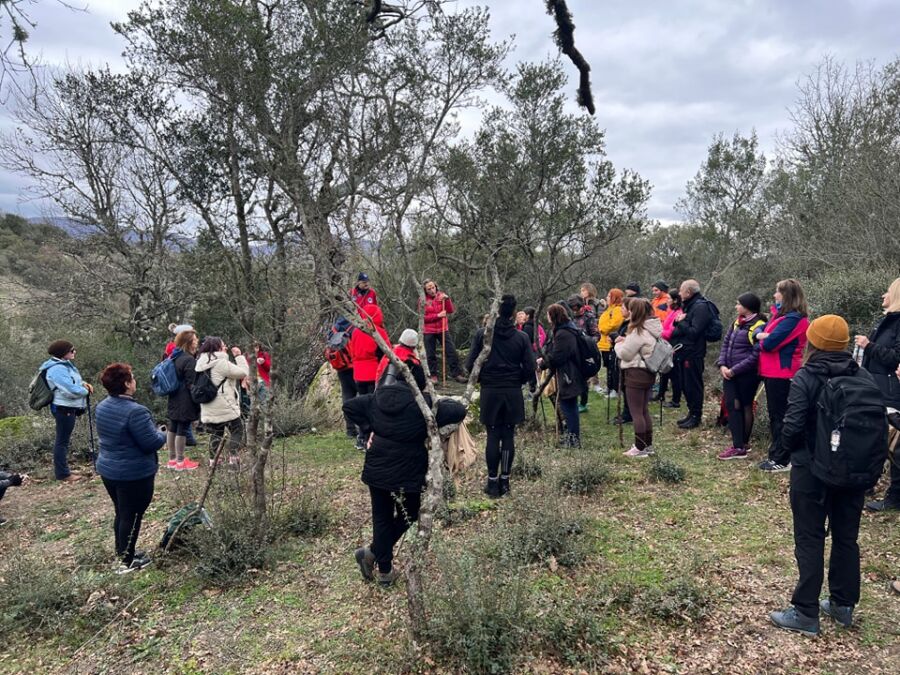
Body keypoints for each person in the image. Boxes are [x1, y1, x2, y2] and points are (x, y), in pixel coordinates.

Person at [769, 315, 872, 636]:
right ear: (842, 345)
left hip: (811, 470)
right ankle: (843, 605)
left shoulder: (806, 375)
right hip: (853, 470)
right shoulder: (863, 375)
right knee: (846, 537)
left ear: (812, 342)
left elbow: (793, 423)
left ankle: (805, 612)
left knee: (810, 537)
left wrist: (782, 455)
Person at [344, 366, 466, 586]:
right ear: (419, 384)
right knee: (409, 511)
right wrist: (435, 398)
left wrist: (368, 429)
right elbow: (458, 410)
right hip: (408, 470)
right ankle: (376, 560)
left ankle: (382, 568)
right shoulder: (423, 403)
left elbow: (349, 406)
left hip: (377, 467)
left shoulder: (377, 397)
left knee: (381, 518)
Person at [94, 362, 165, 574]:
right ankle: (126, 561)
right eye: (132, 378)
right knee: (131, 515)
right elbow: (150, 442)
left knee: (122, 513)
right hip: (133, 474)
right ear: (126, 384)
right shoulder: (136, 412)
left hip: (109, 469)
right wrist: (161, 433)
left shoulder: (103, 406)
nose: (135, 381)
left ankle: (124, 552)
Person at [466, 294, 536, 497]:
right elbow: (530, 367)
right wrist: (518, 380)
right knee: (508, 434)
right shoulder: (521, 337)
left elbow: (471, 364)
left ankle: (492, 480)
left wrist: (482, 379)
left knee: (493, 434)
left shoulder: (483, 335)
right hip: (512, 390)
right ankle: (504, 480)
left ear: (496, 311)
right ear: (514, 313)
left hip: (491, 389)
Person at [757, 279, 810, 473]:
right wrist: (762, 336)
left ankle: (782, 458)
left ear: (787, 295)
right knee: (776, 415)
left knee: (781, 417)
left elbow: (770, 344)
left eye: (777, 292)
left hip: (783, 372)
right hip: (772, 371)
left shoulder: (794, 319)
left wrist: (763, 339)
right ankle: (777, 454)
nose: (774, 295)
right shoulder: (779, 316)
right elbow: (761, 333)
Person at [857, 278, 900, 511]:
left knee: (893, 443)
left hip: (891, 392)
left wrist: (868, 345)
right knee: (875, 439)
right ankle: (867, 483)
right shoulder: (888, 321)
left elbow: (895, 357)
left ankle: (895, 496)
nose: (883, 295)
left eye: (887, 292)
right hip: (877, 387)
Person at [716, 294, 766, 460]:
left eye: (738, 304)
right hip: (729, 372)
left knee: (745, 405)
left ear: (747, 306)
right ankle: (739, 444)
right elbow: (726, 344)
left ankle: (741, 445)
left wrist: (734, 370)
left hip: (747, 375)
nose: (736, 306)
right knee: (732, 405)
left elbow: (755, 355)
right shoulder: (737, 322)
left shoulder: (759, 325)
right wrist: (722, 364)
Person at [614, 298, 662, 457]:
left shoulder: (638, 331)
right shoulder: (652, 328)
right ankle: (648, 445)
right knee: (644, 410)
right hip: (648, 372)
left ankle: (639, 447)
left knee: (636, 412)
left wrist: (618, 344)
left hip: (635, 373)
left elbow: (626, 354)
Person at [40, 340, 93, 482]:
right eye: (71, 350)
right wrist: (85, 391)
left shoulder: (64, 365)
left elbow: (73, 382)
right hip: (63, 408)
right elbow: (70, 390)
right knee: (62, 441)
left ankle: (63, 470)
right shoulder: (57, 369)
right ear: (63, 353)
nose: (74, 352)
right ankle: (63, 474)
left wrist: (84, 384)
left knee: (63, 440)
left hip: (67, 407)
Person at [195, 337, 249, 467]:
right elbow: (243, 372)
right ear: (217, 348)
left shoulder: (201, 363)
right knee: (237, 429)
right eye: (223, 345)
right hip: (225, 405)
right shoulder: (221, 363)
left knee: (216, 433)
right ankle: (233, 459)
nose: (225, 347)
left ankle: (214, 462)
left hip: (209, 405)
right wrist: (239, 356)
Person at [540, 303, 587, 447]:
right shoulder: (567, 329)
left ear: (553, 315)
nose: (547, 317)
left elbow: (559, 356)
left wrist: (543, 363)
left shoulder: (563, 333)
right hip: (570, 372)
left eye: (548, 314)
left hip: (569, 374)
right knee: (569, 406)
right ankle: (572, 437)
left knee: (568, 406)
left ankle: (574, 439)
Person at [670, 279, 714, 429]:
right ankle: (691, 413)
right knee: (685, 384)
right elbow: (683, 326)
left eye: (681, 290)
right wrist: (680, 321)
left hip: (694, 353)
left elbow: (694, 332)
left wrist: (682, 322)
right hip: (684, 351)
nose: (679, 293)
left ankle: (696, 416)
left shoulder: (701, 307)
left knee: (693, 385)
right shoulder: (690, 306)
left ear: (688, 292)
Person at [349, 304, 390, 449]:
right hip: (373, 372)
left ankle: (361, 437)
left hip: (358, 373)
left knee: (362, 405)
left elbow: (351, 350)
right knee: (375, 407)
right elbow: (387, 352)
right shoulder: (377, 332)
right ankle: (373, 438)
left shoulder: (355, 331)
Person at [165, 330, 200, 471]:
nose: (197, 341)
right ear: (189, 341)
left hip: (173, 397)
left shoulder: (174, 357)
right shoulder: (189, 359)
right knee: (183, 428)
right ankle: (180, 462)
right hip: (185, 399)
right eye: (195, 339)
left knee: (172, 426)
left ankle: (172, 460)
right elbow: (191, 383)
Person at [420, 279, 467, 384]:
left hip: (442, 328)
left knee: (451, 351)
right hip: (429, 330)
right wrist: (437, 316)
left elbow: (450, 310)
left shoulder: (441, 296)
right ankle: (433, 376)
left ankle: (457, 374)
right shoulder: (422, 300)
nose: (432, 290)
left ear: (436, 286)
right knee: (430, 354)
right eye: (429, 289)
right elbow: (422, 317)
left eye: (433, 287)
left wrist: (447, 299)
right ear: (425, 291)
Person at [569, 295, 600, 412]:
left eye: (577, 308)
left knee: (583, 378)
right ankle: (574, 401)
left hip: (585, 352)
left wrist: (586, 343)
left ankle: (583, 403)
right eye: (573, 308)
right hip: (572, 351)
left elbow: (597, 336)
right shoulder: (570, 317)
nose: (575, 311)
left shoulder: (589, 317)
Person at [656, 289, 683, 407]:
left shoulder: (678, 313)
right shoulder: (672, 311)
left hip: (673, 346)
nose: (667, 301)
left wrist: (659, 333)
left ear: (675, 300)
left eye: (669, 299)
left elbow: (671, 331)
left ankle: (676, 400)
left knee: (674, 374)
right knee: (664, 372)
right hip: (666, 345)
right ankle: (660, 394)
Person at [598, 289, 625, 397]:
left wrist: (602, 329)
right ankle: (609, 387)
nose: (607, 298)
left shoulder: (617, 310)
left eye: (609, 296)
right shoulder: (609, 309)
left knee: (613, 367)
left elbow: (614, 325)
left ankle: (615, 389)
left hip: (611, 342)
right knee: (608, 367)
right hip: (604, 342)